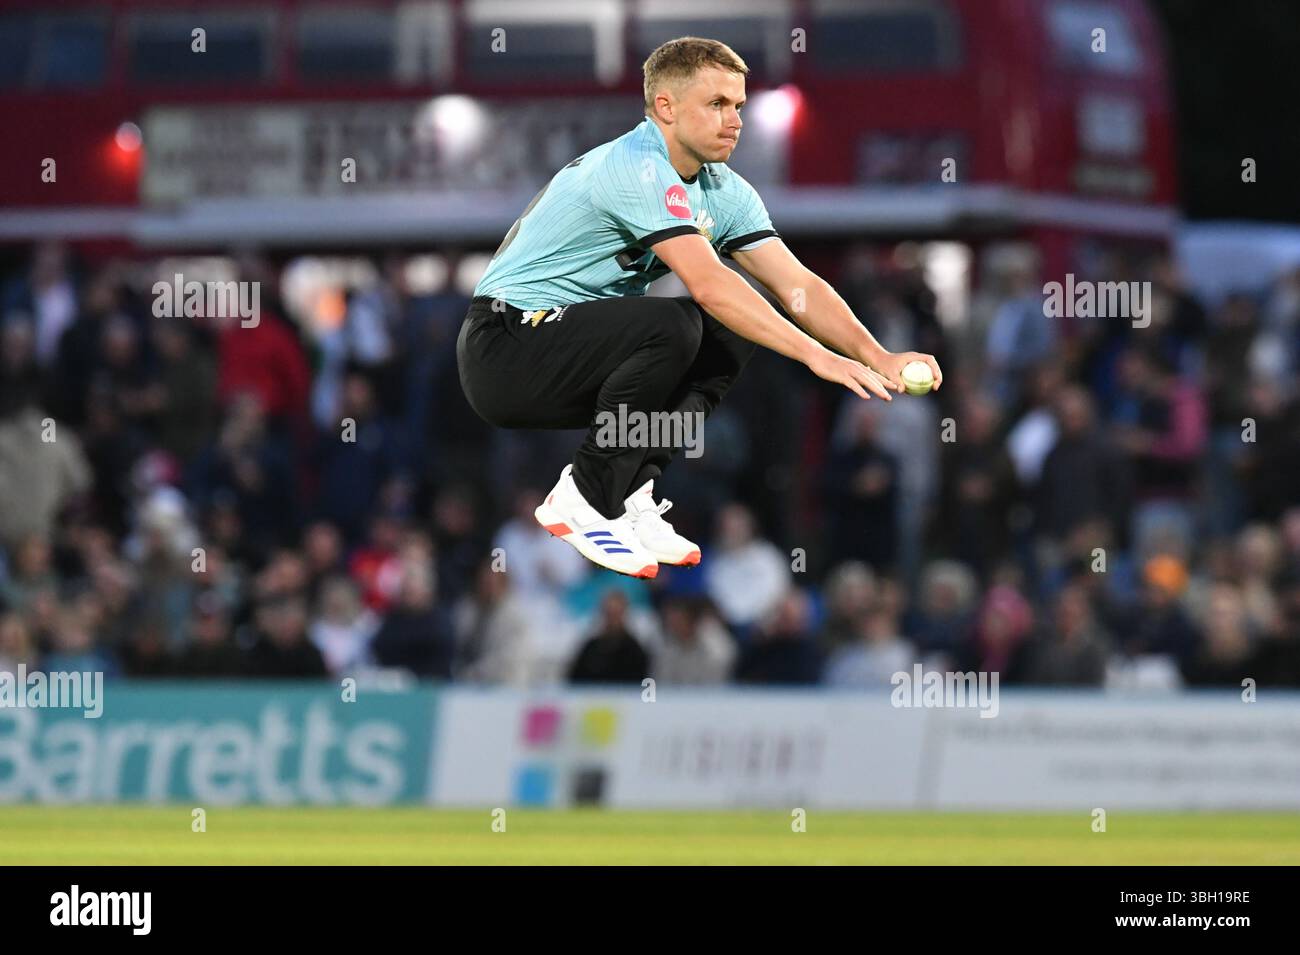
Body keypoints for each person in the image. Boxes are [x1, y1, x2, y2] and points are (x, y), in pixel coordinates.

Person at [457, 36, 941, 579]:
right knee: (677, 323)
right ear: (666, 107)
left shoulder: (724, 190)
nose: (734, 120)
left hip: (572, 356)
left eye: (738, 105)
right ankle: (584, 497)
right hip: (504, 349)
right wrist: (816, 355)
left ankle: (629, 489)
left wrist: (878, 355)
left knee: (729, 331)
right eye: (717, 104)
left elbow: (797, 285)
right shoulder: (633, 166)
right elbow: (709, 285)